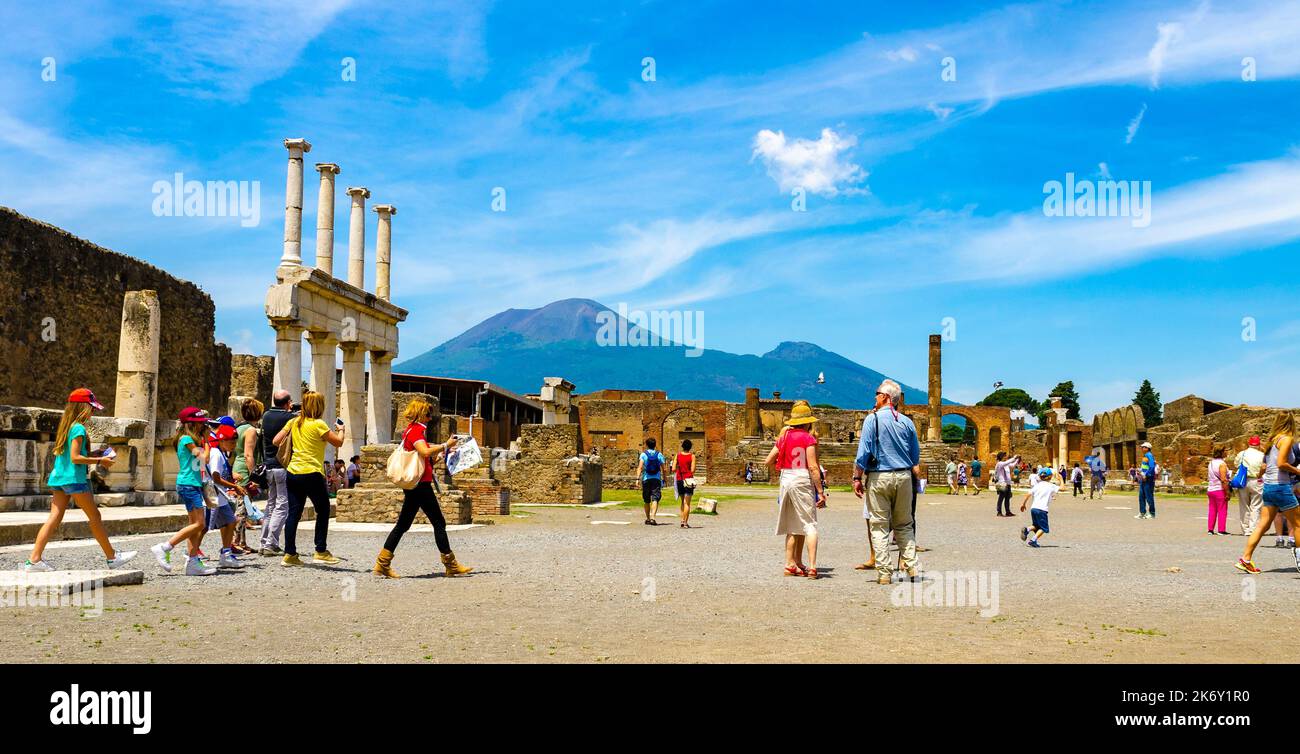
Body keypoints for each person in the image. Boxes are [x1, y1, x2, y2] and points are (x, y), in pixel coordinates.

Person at [24, 389, 137, 572]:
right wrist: (100, 460)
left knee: (54, 518)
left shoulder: (67, 426)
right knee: (95, 516)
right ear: (83, 407)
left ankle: (34, 560)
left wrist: (93, 454)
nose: (93, 412)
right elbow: (76, 458)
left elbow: (72, 455)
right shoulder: (79, 428)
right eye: (91, 408)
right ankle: (112, 557)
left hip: (59, 478)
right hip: (74, 480)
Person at [372, 398, 471, 578]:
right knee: (438, 522)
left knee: (403, 524)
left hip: (417, 484)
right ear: (420, 414)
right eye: (427, 414)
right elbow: (424, 452)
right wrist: (445, 445)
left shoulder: (411, 430)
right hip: (420, 485)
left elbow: (424, 457)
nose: (430, 417)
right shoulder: (416, 430)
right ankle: (451, 564)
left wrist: (443, 453)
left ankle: (382, 563)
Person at [853, 380, 922, 585]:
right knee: (905, 524)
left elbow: (863, 453)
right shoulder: (907, 422)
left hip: (879, 477)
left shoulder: (871, 420)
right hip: (903, 477)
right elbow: (915, 455)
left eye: (877, 393)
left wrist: (857, 477)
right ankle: (912, 568)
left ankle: (884, 573)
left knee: (879, 526)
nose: (874, 397)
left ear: (884, 397)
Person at [273, 390, 345, 566]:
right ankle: (320, 550)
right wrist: (341, 430)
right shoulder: (319, 424)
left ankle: (290, 554)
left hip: (293, 472)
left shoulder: (293, 421)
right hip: (312, 472)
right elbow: (338, 442)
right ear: (319, 406)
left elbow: (276, 441)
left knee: (293, 514)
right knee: (324, 509)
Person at [150, 407, 218, 576]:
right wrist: (209, 442)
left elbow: (200, 468)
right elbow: (205, 459)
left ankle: (193, 562)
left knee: (194, 526)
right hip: (187, 485)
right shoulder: (186, 439)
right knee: (200, 524)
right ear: (193, 424)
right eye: (202, 424)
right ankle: (165, 547)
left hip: (192, 485)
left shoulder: (194, 441)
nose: (205, 427)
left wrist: (205, 495)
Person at [764, 401, 823, 578]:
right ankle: (812, 566)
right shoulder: (808, 438)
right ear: (807, 422)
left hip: (786, 478)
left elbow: (767, 461)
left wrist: (782, 465)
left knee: (792, 525)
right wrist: (820, 491)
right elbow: (813, 467)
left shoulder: (784, 437)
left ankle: (790, 565)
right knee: (809, 523)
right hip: (802, 477)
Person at [1236, 412, 1300, 574]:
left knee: (1263, 525)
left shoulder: (1272, 441)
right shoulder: (1286, 439)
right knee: (1298, 524)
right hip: (1281, 486)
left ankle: (1246, 559)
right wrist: (1297, 472)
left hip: (1269, 487)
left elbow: (1266, 466)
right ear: (1291, 423)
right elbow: (1281, 463)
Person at [258, 390, 294, 556]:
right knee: (282, 505)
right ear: (287, 403)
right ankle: (271, 543)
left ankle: (263, 541)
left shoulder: (266, 416)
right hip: (282, 466)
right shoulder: (290, 418)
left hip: (268, 466)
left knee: (271, 505)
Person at [206, 424, 246, 568]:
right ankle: (190, 552)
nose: (234, 444)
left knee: (230, 521)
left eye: (235, 441)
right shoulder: (216, 454)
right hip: (211, 493)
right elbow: (215, 477)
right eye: (230, 441)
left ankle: (226, 554)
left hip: (219, 495)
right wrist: (234, 486)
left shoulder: (223, 454)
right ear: (221, 441)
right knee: (202, 527)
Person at [231, 398, 263, 555]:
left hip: (237, 466)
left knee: (244, 507)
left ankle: (242, 542)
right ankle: (235, 542)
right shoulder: (250, 430)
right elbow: (249, 455)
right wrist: (255, 476)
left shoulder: (239, 428)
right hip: (245, 470)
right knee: (242, 509)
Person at [1234, 436, 1265, 536]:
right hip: (1257, 480)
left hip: (1243, 480)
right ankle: (1253, 529)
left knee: (1244, 505)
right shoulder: (1262, 455)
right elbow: (1265, 467)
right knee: (1256, 506)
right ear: (1259, 444)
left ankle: (1245, 529)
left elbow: (1236, 464)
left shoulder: (1242, 454)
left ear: (1249, 443)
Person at [1020, 467, 1057, 547]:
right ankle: (1033, 540)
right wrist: (1061, 479)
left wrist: (1023, 504)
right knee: (1044, 528)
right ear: (1050, 476)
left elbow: (1028, 494)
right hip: (1042, 510)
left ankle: (1027, 529)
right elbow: (1063, 488)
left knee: (1036, 526)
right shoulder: (1051, 486)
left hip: (1033, 508)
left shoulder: (1037, 485)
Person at [635, 438, 666, 525]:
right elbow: (664, 468)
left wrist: (637, 479)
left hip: (646, 479)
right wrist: (665, 479)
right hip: (656, 479)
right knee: (655, 498)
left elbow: (640, 467)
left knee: (646, 500)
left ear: (647, 445)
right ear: (655, 445)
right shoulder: (659, 454)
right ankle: (653, 517)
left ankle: (648, 518)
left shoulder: (643, 455)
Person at [672, 438, 697, 529]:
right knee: (687, 503)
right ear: (690, 447)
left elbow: (673, 469)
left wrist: (679, 467)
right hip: (688, 481)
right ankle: (685, 522)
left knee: (682, 501)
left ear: (682, 447)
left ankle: (682, 520)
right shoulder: (692, 456)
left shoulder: (677, 456)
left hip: (679, 479)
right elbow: (693, 470)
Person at [1205, 447, 1231, 536]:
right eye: (1226, 451)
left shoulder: (1211, 463)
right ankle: (1221, 530)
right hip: (1219, 489)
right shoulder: (1222, 464)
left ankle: (1210, 529)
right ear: (1222, 452)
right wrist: (1227, 492)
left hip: (1211, 489)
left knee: (1212, 509)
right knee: (1222, 510)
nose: (1227, 452)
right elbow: (1223, 479)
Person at [1136, 442, 1157, 519]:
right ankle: (1142, 513)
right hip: (1143, 478)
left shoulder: (1149, 455)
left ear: (1147, 448)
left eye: (1143, 447)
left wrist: (1146, 474)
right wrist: (1140, 470)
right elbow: (1146, 466)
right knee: (1141, 496)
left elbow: (1151, 467)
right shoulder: (1145, 456)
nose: (1141, 448)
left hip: (1148, 478)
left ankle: (1152, 513)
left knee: (1149, 496)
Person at [993, 452, 1017, 517]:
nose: (1005, 457)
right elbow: (1007, 462)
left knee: (1007, 498)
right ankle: (999, 511)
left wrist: (1017, 459)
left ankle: (1008, 511)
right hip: (1002, 483)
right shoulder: (999, 464)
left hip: (1007, 483)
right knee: (1001, 498)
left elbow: (1013, 465)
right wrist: (1014, 457)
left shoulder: (1005, 465)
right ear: (1001, 457)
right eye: (1004, 456)